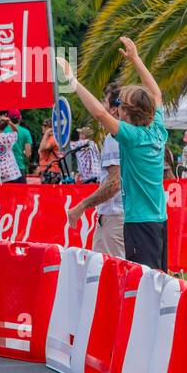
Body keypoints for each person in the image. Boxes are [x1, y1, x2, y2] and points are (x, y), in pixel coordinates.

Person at [61, 42, 166, 269]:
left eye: (120, 105)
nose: (116, 109)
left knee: (143, 283)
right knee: (158, 278)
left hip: (138, 220)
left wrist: (72, 81)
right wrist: (136, 59)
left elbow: (99, 113)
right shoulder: (158, 128)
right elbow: (156, 92)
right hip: (159, 218)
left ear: (125, 112)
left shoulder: (132, 137)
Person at [66, 87, 125, 257]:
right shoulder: (140, 132)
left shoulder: (115, 137)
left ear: (113, 109)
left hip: (115, 217)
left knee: (110, 275)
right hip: (131, 215)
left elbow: (114, 184)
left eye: (104, 102)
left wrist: (81, 206)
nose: (100, 106)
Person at [7, 109, 33, 176]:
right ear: (20, 117)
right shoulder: (26, 132)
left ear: (8, 118)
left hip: (5, 169)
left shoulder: (3, 131)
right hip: (19, 167)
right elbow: (28, 154)